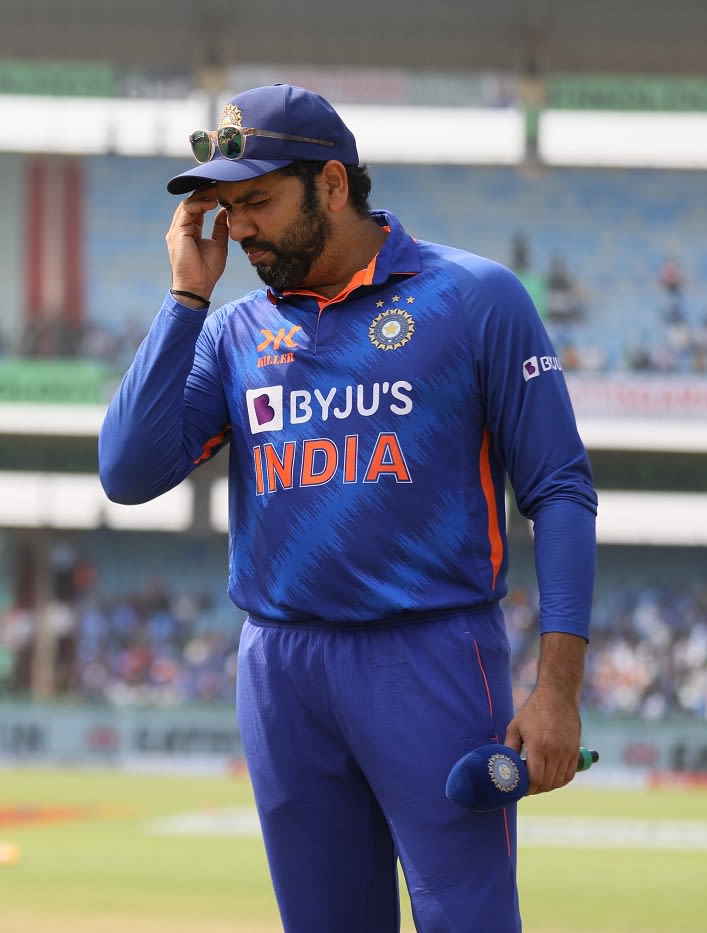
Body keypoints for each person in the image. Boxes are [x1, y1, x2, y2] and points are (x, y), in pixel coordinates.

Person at [98, 84, 597, 932]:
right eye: (224, 206)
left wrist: (558, 689)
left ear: (332, 184)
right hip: (279, 668)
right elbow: (128, 471)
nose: (239, 226)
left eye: (256, 201)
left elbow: (559, 490)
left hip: (430, 654)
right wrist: (186, 299)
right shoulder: (233, 332)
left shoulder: (475, 297)